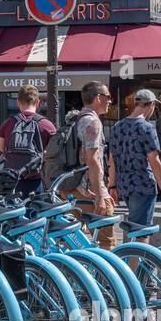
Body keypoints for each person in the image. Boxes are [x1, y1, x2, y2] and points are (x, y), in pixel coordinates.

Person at [107, 89, 161, 235]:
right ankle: (135, 257)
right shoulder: (147, 127)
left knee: (134, 225)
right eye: (154, 107)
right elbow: (154, 161)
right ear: (149, 105)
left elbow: (111, 160)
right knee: (141, 231)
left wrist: (112, 185)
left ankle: (134, 256)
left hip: (124, 184)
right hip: (142, 183)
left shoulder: (118, 126)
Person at [61, 81, 117, 250]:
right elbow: (92, 160)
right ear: (98, 98)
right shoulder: (93, 122)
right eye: (108, 97)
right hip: (89, 190)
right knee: (106, 241)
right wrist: (100, 195)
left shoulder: (75, 119)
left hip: (71, 187)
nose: (110, 101)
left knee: (71, 239)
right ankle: (104, 277)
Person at [0, 85, 56, 195]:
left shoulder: (7, 124)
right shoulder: (47, 125)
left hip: (11, 182)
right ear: (37, 102)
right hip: (37, 181)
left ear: (18, 102)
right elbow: (55, 156)